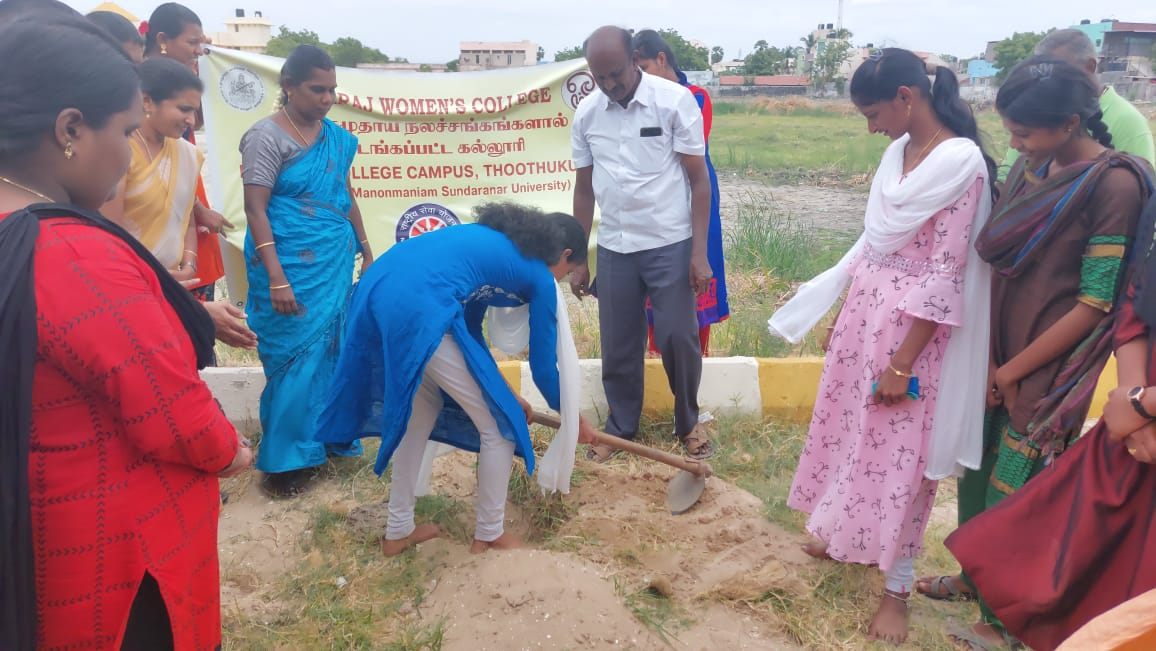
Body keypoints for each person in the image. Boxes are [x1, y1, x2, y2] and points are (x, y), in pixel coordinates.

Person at [0, 17, 252, 650]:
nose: (126, 155)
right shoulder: (72, 253)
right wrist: (233, 453)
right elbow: (169, 408)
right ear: (70, 130)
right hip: (109, 548)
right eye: (122, 132)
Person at [768, 48, 996, 645]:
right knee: (851, 434)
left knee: (903, 460)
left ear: (906, 97)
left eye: (874, 114)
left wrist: (902, 363)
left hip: (913, 338)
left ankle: (897, 591)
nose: (871, 129)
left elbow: (946, 273)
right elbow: (874, 245)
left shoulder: (961, 164)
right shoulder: (898, 154)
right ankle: (847, 537)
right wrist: (844, 309)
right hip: (866, 320)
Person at [932, 56, 1153, 649]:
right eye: (1010, 131)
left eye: (1024, 133)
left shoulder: (1115, 185)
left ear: (1072, 122)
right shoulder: (1037, 166)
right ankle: (972, 575)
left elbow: (1094, 304)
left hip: (1050, 362)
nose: (1015, 143)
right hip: (998, 342)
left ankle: (1002, 616)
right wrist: (986, 357)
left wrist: (1012, 369)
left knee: (1020, 484)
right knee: (976, 470)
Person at [317, 203, 598, 555]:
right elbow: (543, 367)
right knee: (498, 427)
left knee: (422, 410)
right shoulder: (539, 276)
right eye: (565, 273)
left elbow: (468, 333)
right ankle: (489, 534)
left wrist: (507, 392)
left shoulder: (495, 249)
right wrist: (572, 418)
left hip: (382, 289)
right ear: (565, 254)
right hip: (418, 304)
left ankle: (398, 530)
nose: (557, 282)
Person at [571, 25, 715, 462]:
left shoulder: (673, 101)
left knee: (678, 337)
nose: (610, 84)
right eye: (600, 77)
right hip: (615, 245)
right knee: (618, 342)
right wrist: (579, 257)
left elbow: (698, 181)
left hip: (669, 240)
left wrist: (698, 253)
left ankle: (688, 424)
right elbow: (583, 190)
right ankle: (621, 427)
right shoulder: (588, 115)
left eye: (616, 73)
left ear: (635, 59)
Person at [241, 45, 373, 496]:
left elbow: (345, 195)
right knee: (295, 356)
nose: (327, 98)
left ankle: (328, 440)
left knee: (332, 348)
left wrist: (367, 248)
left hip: (332, 261)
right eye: (318, 89)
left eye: (332, 89)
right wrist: (277, 277)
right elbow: (255, 210)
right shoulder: (266, 136)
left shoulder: (336, 137)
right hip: (287, 261)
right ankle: (284, 463)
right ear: (289, 87)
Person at [632, 30, 729, 357]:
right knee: (654, 281)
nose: (639, 78)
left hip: (693, 201)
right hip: (654, 203)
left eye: (643, 68)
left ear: (661, 59)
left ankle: (695, 361)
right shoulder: (640, 100)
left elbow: (679, 153)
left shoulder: (696, 97)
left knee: (695, 278)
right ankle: (656, 358)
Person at [143, 2, 230, 304]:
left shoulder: (185, 81)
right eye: (192, 42)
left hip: (186, 201)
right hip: (154, 214)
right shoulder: (133, 86)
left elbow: (198, 125)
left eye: (202, 43)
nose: (198, 50)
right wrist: (198, 210)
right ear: (163, 40)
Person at [998, 29, 1155, 180]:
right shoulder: (1032, 125)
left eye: (1058, 71)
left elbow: (1143, 190)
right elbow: (1006, 177)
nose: (1044, 83)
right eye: (1041, 71)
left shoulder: (1127, 120)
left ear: (1089, 67)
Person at [101, 57, 204, 281]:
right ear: (147, 101)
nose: (191, 121)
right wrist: (158, 277)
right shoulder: (120, 152)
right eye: (184, 109)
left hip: (177, 281)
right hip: (127, 278)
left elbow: (186, 220)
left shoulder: (187, 153)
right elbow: (110, 235)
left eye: (195, 111)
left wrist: (189, 265)